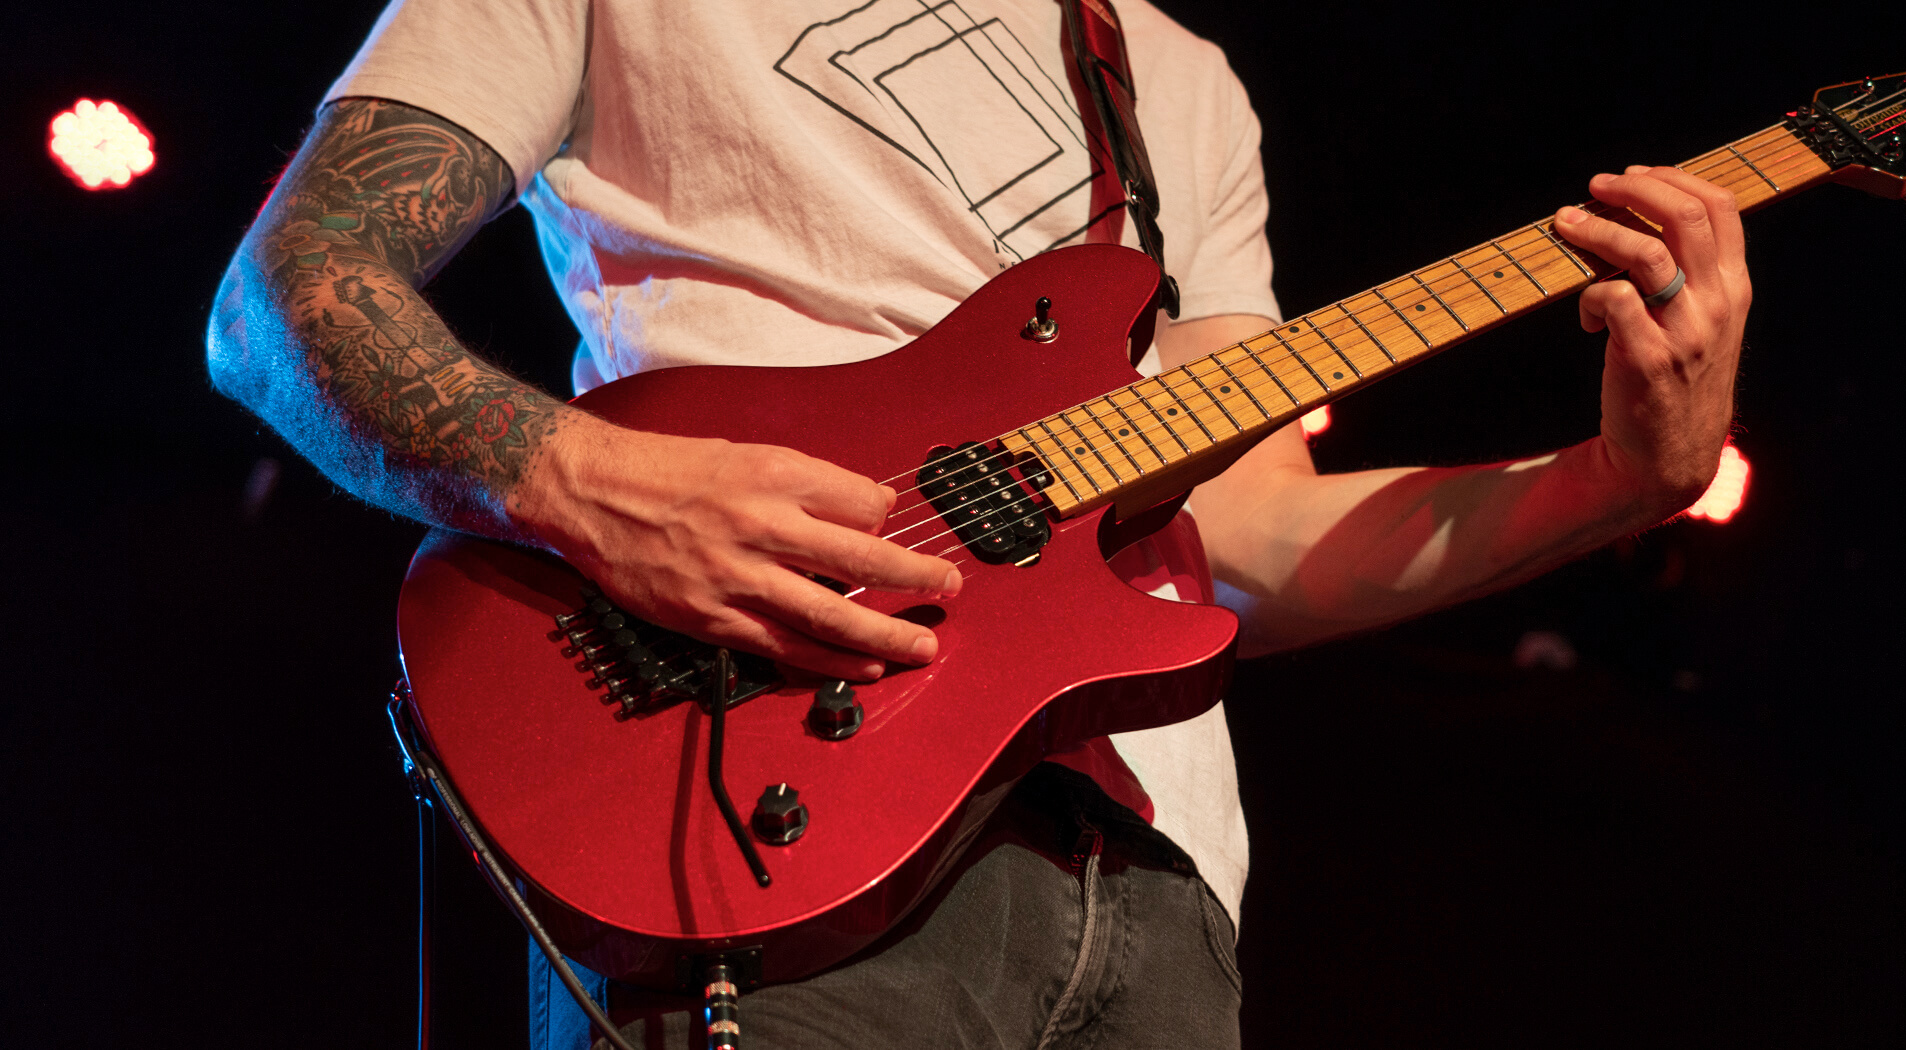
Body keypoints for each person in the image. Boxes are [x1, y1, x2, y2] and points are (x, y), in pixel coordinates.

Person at [206, 0, 1751, 1045]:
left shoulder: (1169, 71)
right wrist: (597, 490)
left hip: (1158, 895)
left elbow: (1251, 534)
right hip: (772, 823)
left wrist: (1619, 480)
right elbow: (289, 291)